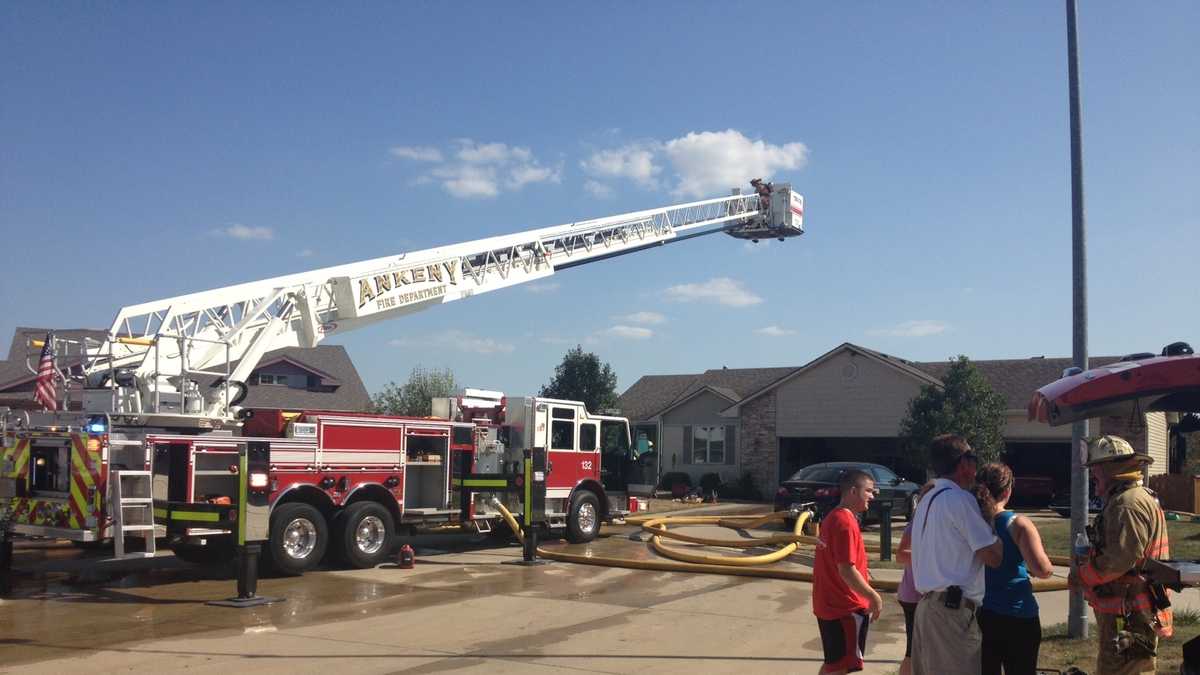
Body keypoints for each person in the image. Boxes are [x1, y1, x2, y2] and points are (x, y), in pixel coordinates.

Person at [1069, 435, 1173, 675]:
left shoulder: (1126, 504)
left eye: (1096, 469)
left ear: (1112, 470)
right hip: (1132, 612)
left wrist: (1081, 576)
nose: (1092, 475)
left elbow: (1117, 561)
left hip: (1130, 615)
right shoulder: (1136, 497)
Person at [909, 434, 1003, 675]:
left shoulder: (928, 498)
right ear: (963, 464)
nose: (975, 467)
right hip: (950, 613)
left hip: (929, 608)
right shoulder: (959, 499)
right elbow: (993, 556)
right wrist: (993, 516)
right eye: (973, 459)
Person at [973, 462, 1054, 675]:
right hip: (1018, 613)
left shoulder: (973, 522)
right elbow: (1042, 569)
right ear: (1007, 491)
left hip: (982, 614)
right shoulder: (1017, 524)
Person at [811, 469, 883, 674]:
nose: (872, 496)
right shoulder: (845, 522)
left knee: (834, 664)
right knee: (840, 667)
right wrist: (874, 597)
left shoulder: (834, 517)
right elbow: (847, 570)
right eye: (868, 490)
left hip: (831, 604)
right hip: (845, 608)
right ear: (852, 491)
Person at [895, 482, 935, 675]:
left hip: (925, 595)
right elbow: (900, 555)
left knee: (925, 651)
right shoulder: (917, 524)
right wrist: (931, 556)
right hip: (914, 596)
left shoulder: (936, 524)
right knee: (913, 651)